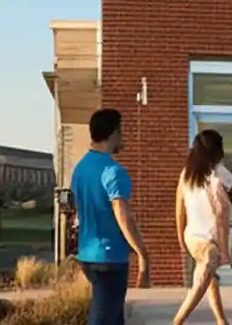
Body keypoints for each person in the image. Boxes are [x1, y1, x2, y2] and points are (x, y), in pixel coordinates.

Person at [71, 108, 150, 325]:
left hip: (88, 254)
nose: (123, 137)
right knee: (104, 318)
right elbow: (123, 217)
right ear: (114, 133)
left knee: (113, 318)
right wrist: (142, 254)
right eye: (121, 131)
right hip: (109, 258)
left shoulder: (80, 169)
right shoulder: (113, 172)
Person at [173, 130, 232, 325]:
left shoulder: (186, 175)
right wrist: (224, 249)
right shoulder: (220, 176)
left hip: (192, 236)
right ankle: (178, 321)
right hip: (209, 239)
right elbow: (222, 216)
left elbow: (179, 209)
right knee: (203, 276)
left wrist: (181, 238)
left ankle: (221, 320)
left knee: (210, 278)